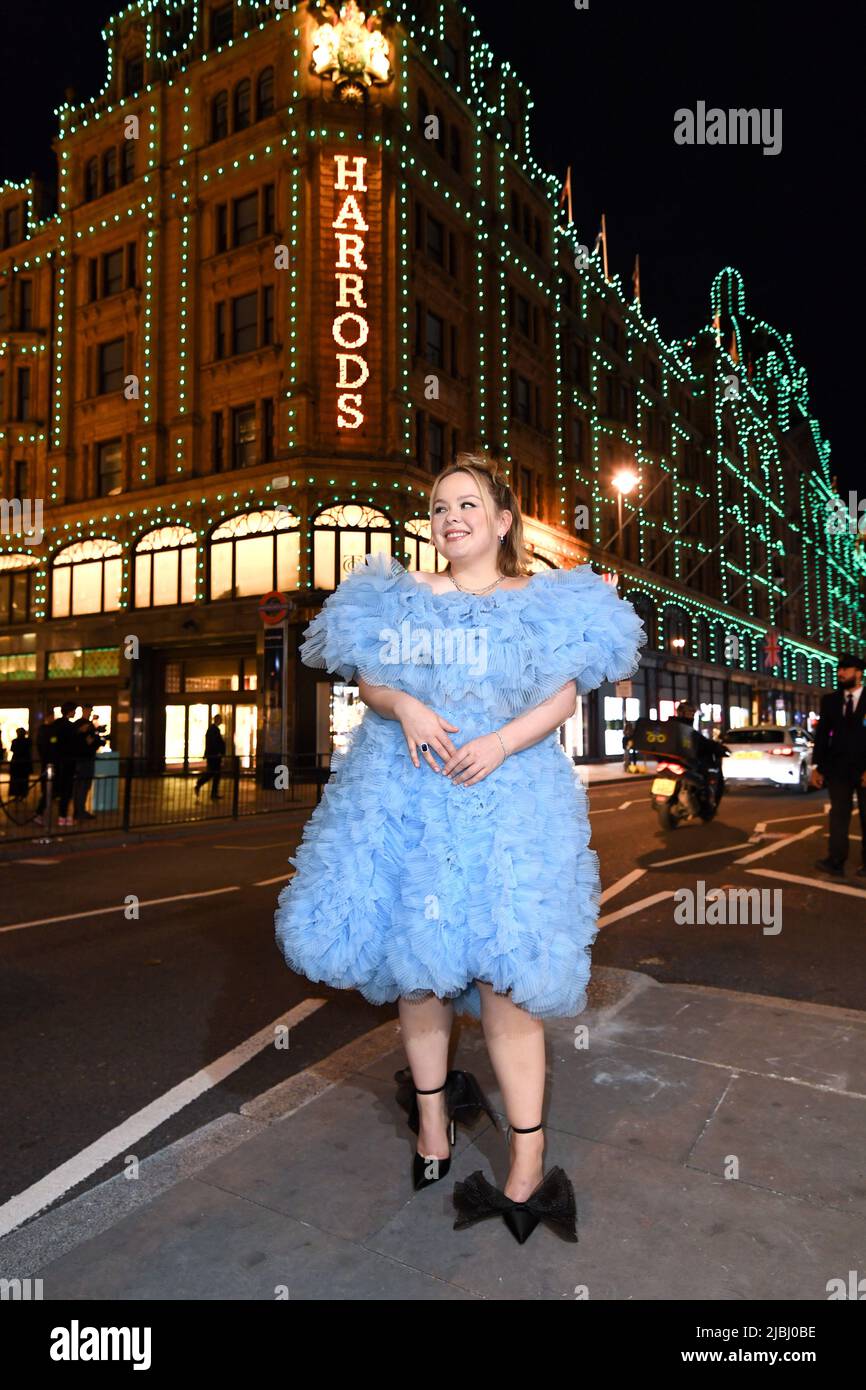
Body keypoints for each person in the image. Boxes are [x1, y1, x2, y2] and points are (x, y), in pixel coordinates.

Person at [274, 453, 646, 1244]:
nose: (451, 517)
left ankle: (526, 1163)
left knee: (508, 981)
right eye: (440, 506)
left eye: (468, 503)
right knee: (422, 975)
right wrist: (403, 703)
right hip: (410, 797)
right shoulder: (400, 599)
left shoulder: (546, 603)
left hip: (510, 804)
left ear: (504, 521)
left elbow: (559, 697)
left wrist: (504, 743)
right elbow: (371, 681)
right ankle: (434, 1129)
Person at [811, 653, 866, 877]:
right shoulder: (830, 700)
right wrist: (817, 767)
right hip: (838, 769)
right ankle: (836, 860)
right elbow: (823, 735)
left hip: (864, 769)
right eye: (839, 669)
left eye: (846, 669)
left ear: (859, 673)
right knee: (838, 816)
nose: (840, 673)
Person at [72, 705, 103, 821]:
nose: (89, 712)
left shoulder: (80, 724)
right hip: (85, 759)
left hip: (82, 758)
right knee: (83, 786)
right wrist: (96, 741)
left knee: (81, 786)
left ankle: (79, 811)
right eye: (89, 710)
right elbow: (89, 741)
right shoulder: (84, 725)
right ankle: (80, 812)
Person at [53, 701, 80, 827]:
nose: (75, 713)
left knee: (56, 790)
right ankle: (64, 816)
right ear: (70, 711)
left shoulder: (56, 724)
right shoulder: (70, 726)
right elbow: (75, 744)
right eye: (74, 710)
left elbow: (53, 741)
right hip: (68, 762)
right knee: (67, 791)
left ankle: (60, 816)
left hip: (57, 761)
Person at [34, 711, 58, 824]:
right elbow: (45, 745)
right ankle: (39, 813)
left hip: (52, 762)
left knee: (51, 790)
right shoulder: (43, 729)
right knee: (47, 790)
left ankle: (43, 813)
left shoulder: (53, 728)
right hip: (48, 763)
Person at [194, 716, 226, 799]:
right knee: (213, 773)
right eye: (220, 719)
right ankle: (201, 784)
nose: (221, 721)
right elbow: (214, 743)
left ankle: (212, 792)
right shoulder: (214, 730)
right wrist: (219, 752)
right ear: (218, 720)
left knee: (214, 773)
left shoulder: (212, 729)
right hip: (214, 756)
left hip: (213, 756)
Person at [9, 728, 33, 801]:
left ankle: (16, 794)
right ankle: (23, 794)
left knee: (16, 779)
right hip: (24, 764)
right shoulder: (28, 741)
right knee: (24, 780)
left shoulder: (15, 741)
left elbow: (12, 749)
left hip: (16, 763)